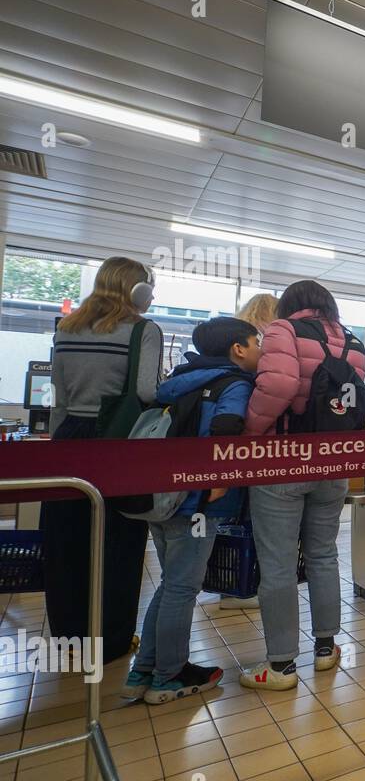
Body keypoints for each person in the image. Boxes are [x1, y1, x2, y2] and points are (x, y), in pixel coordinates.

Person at [122, 318, 260, 703]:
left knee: (171, 584)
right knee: (182, 588)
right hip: (197, 504)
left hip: (160, 496)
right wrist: (219, 479)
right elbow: (227, 425)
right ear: (238, 349)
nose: (259, 349)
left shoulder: (178, 381)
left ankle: (143, 671)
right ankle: (168, 676)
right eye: (256, 342)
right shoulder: (234, 383)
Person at [239, 280, 365, 687]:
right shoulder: (354, 342)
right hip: (334, 463)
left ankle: (280, 666)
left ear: (289, 305)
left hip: (283, 462)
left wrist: (249, 434)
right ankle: (327, 648)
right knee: (323, 555)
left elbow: (278, 386)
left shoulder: (283, 330)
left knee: (277, 563)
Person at [42, 256, 163, 664]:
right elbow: (147, 391)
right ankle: (110, 642)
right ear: (137, 290)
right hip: (118, 442)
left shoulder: (67, 329)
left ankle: (68, 640)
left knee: (65, 543)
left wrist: (58, 443)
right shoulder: (144, 330)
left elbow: (57, 395)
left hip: (69, 437)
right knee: (119, 543)